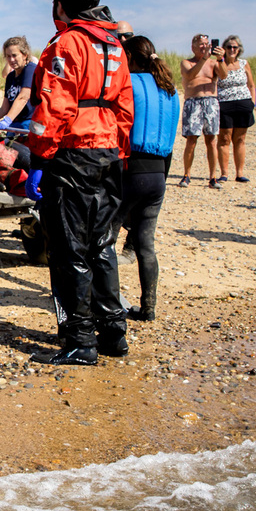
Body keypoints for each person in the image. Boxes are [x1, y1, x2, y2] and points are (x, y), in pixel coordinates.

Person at [24, 0, 133, 366]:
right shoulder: (115, 46)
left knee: (70, 249)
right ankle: (114, 332)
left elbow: (53, 108)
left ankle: (80, 342)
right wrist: (118, 153)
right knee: (102, 244)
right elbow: (124, 107)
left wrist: (39, 161)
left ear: (60, 5)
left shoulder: (67, 43)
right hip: (108, 155)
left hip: (71, 156)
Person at [112, 35, 179, 323]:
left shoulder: (130, 84)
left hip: (132, 172)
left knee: (105, 238)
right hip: (158, 176)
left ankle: (108, 302)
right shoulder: (171, 91)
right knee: (145, 244)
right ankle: (148, 307)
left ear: (132, 58)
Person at [180, 33, 228, 188]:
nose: (204, 46)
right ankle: (186, 174)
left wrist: (221, 59)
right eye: (201, 44)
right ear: (193, 47)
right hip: (193, 102)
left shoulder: (214, 63)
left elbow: (224, 75)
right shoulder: (186, 63)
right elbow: (191, 75)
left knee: (212, 140)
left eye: (206, 43)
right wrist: (204, 59)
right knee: (191, 140)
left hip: (211, 101)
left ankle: (213, 177)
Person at [215, 35, 255, 184]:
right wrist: (221, 59)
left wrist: (252, 103)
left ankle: (239, 173)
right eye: (229, 47)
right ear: (224, 49)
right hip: (225, 103)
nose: (232, 49)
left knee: (240, 139)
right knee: (224, 139)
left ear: (239, 50)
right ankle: (224, 173)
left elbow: (251, 85)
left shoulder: (244, 64)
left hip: (243, 103)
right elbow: (221, 77)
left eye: (235, 47)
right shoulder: (219, 63)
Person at [0, 36, 37, 131]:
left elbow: (23, 98)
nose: (11, 60)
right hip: (15, 123)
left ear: (25, 55)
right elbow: (4, 109)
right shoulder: (10, 77)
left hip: (31, 123)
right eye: (8, 56)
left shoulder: (31, 70)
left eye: (14, 55)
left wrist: (7, 120)